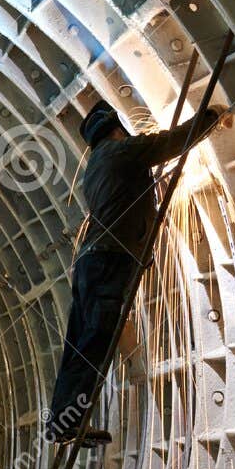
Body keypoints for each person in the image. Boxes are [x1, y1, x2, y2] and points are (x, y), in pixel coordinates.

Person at [45, 99, 221, 445]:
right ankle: (67, 424)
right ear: (115, 128)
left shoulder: (94, 165)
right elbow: (172, 142)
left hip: (89, 262)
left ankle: (62, 418)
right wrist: (211, 117)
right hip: (109, 261)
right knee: (97, 341)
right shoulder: (121, 152)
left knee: (79, 346)